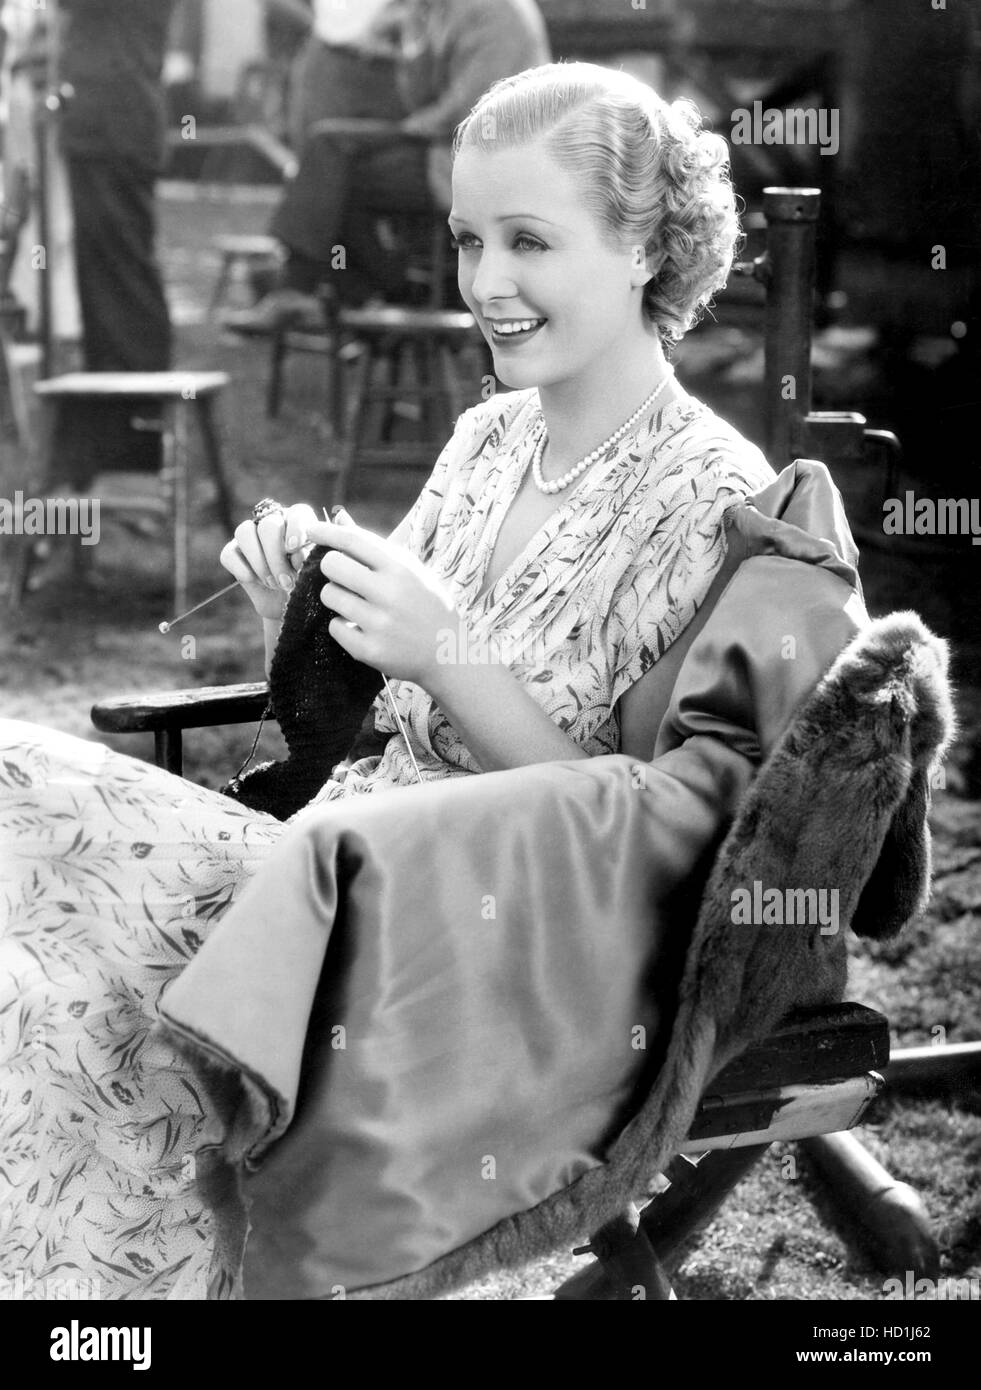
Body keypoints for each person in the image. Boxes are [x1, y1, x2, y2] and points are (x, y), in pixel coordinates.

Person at [2, 63, 857, 1298]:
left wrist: (447, 647)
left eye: (529, 241)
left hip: (459, 935)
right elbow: (393, 692)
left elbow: (640, 838)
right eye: (468, 239)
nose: (486, 284)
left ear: (643, 249)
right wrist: (306, 613)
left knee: (82, 955)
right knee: (25, 826)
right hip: (330, 867)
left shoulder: (711, 500)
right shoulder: (488, 438)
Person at [228, 0, 551, 329]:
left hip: (487, 162)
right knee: (330, 163)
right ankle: (373, 284)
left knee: (332, 162)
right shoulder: (439, 11)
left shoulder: (497, 11)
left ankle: (345, 285)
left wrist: (412, 127)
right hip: (446, 147)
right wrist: (405, 44)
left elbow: (478, 103)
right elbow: (416, 96)